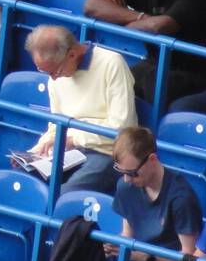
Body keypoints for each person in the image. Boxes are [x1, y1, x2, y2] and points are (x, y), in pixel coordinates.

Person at [23, 25, 137, 196]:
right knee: (23, 182)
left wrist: (74, 138)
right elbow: (55, 126)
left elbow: (121, 128)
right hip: (68, 150)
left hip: (107, 153)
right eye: (44, 72)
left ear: (72, 55)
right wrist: (33, 153)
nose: (52, 78)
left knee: (65, 194)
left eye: (55, 71)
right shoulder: (55, 75)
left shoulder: (112, 63)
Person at [105, 126, 203, 261]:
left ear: (152, 159)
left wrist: (147, 257)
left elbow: (189, 257)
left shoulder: (181, 197)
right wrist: (114, 246)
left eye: (132, 173)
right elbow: (127, 233)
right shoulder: (125, 187)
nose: (126, 179)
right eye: (122, 172)